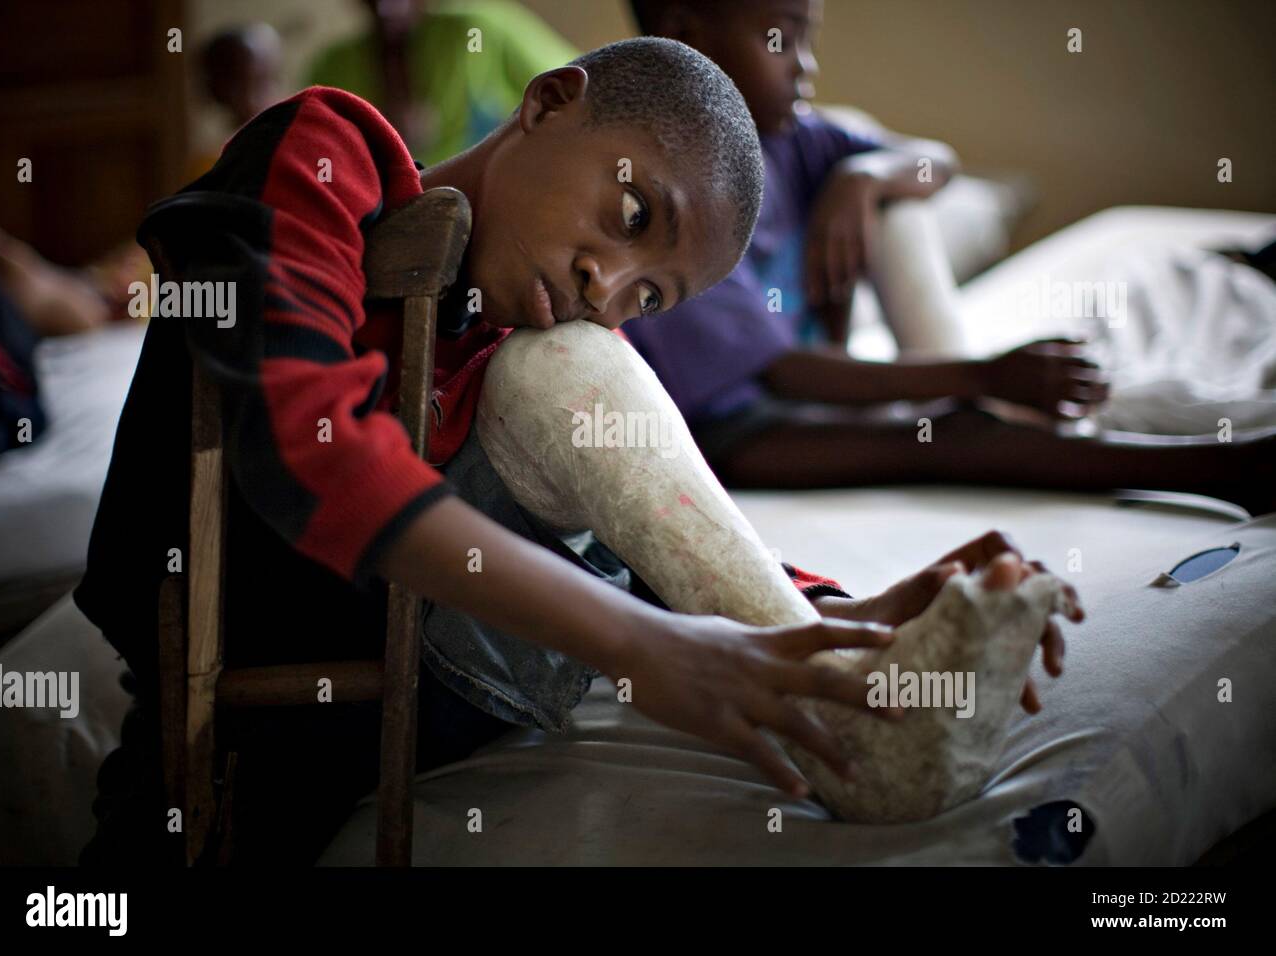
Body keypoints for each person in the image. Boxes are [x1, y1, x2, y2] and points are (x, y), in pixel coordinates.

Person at [75, 37, 1074, 866]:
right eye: (632, 215)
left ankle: (837, 672)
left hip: (433, 671)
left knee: (571, 382)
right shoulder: (335, 149)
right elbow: (302, 439)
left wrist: (831, 610)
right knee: (560, 373)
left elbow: (641, 533)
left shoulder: (528, 341)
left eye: (650, 296)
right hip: (265, 643)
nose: (611, 285)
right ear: (549, 102)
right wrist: (646, 649)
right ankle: (844, 714)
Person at [624, 0, 1275, 515]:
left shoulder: (797, 141)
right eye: (784, 37)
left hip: (821, 386)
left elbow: (938, 159)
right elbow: (784, 375)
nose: (806, 65)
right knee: (956, 435)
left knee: (903, 219)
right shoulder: (667, 200)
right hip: (733, 433)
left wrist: (867, 179)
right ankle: (1220, 471)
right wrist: (975, 373)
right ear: (686, 32)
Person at [308, 0, 579, 164]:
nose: (384, 7)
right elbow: (316, 150)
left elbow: (579, 88)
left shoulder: (477, 30)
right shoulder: (333, 65)